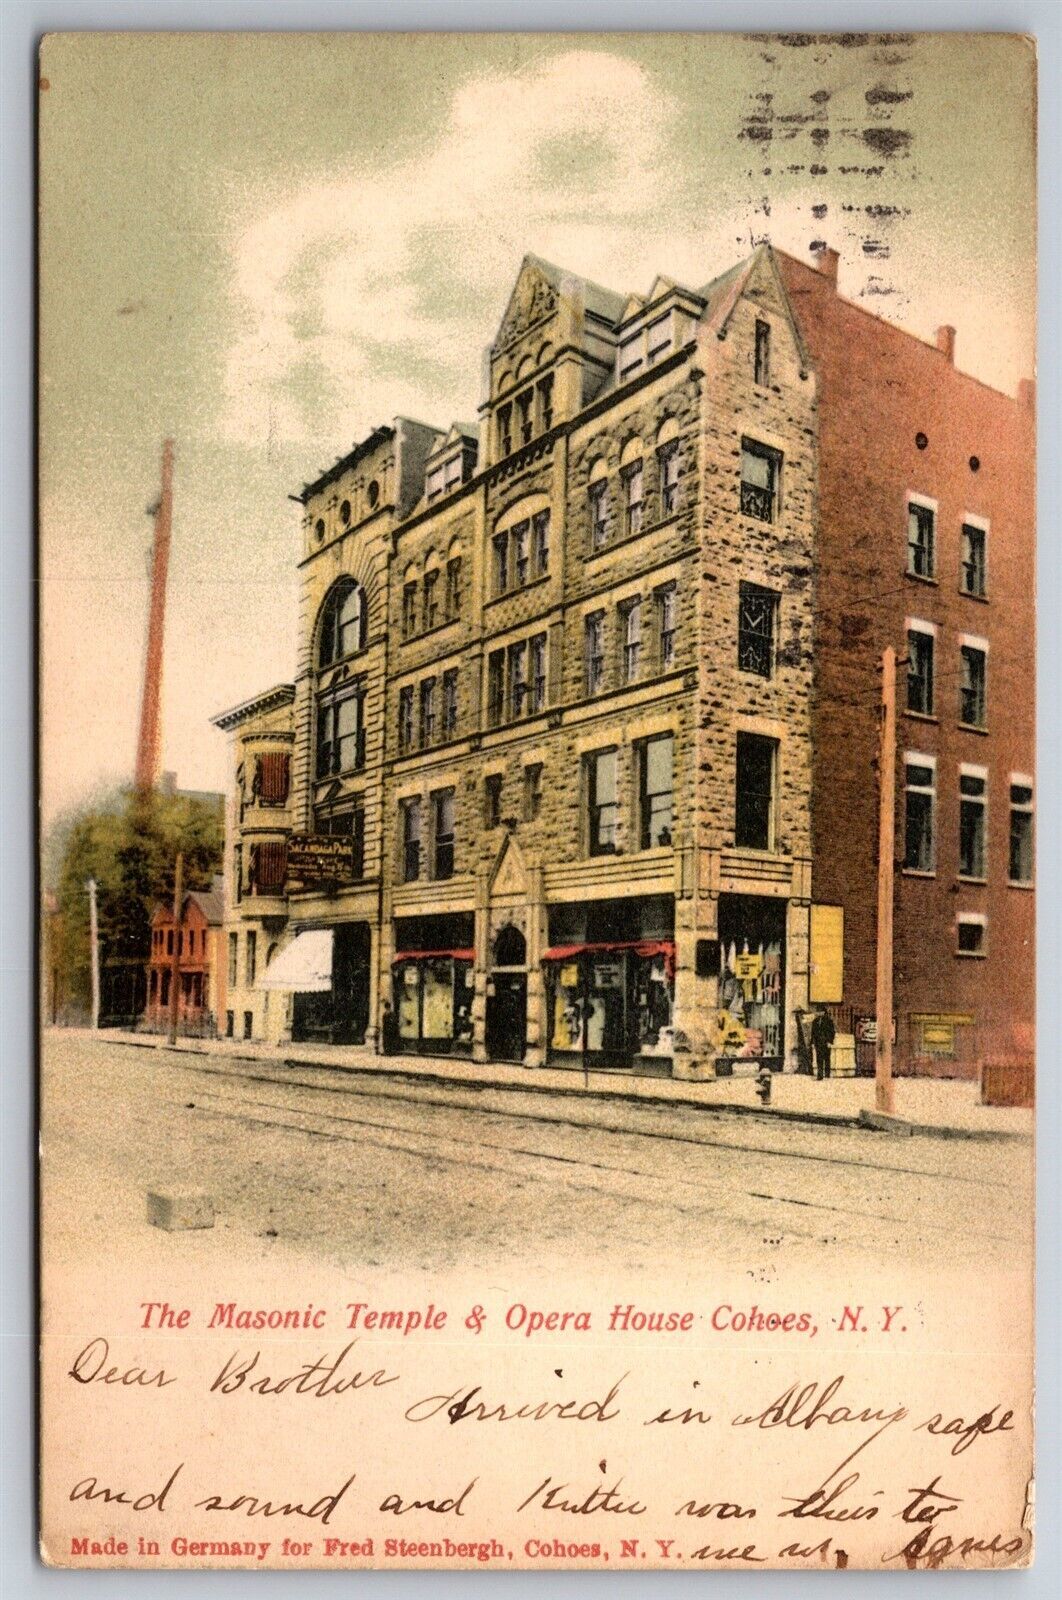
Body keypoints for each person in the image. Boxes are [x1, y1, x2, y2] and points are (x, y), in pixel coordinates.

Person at [811, 1009, 836, 1080]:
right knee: (819, 1059)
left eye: (820, 1011)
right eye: (818, 1012)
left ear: (824, 1012)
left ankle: (827, 1074)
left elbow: (832, 1032)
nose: (819, 1013)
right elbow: (813, 1033)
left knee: (827, 1059)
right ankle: (820, 1075)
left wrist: (830, 1042)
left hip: (826, 1043)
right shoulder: (815, 1021)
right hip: (818, 1043)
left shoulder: (829, 1021)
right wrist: (812, 1042)